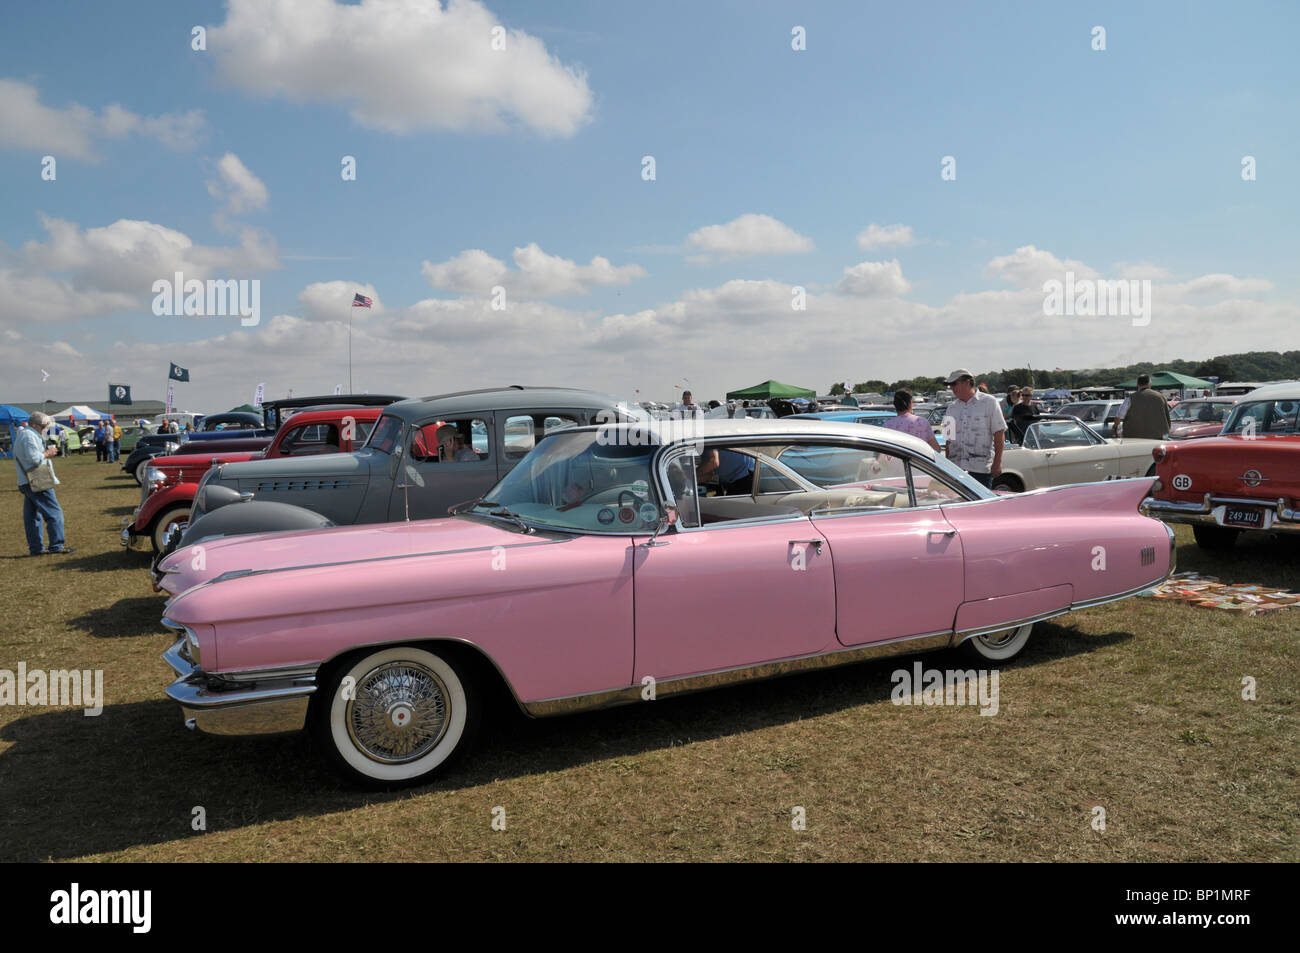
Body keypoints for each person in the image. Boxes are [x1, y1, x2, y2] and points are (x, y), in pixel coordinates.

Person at [14, 412, 74, 556]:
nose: (46, 428)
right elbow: (34, 459)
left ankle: (36, 548)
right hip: (36, 480)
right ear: (34, 425)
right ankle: (56, 546)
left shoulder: (26, 434)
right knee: (54, 513)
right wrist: (48, 453)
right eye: (43, 426)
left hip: (27, 481)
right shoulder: (29, 436)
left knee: (32, 517)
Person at [942, 368, 1006, 488]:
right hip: (956, 469)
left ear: (967, 382)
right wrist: (948, 466)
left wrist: (997, 463)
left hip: (980, 470)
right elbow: (948, 440)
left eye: (954, 384)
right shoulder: (951, 408)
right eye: (950, 385)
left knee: (981, 505)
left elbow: (999, 432)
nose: (951, 388)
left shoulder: (989, 402)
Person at [1116, 374, 1171, 439]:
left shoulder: (1130, 398)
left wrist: (1114, 427)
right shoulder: (1161, 397)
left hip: (1134, 438)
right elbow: (1167, 417)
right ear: (1149, 383)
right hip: (1158, 438)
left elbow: (1119, 417)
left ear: (1137, 384)